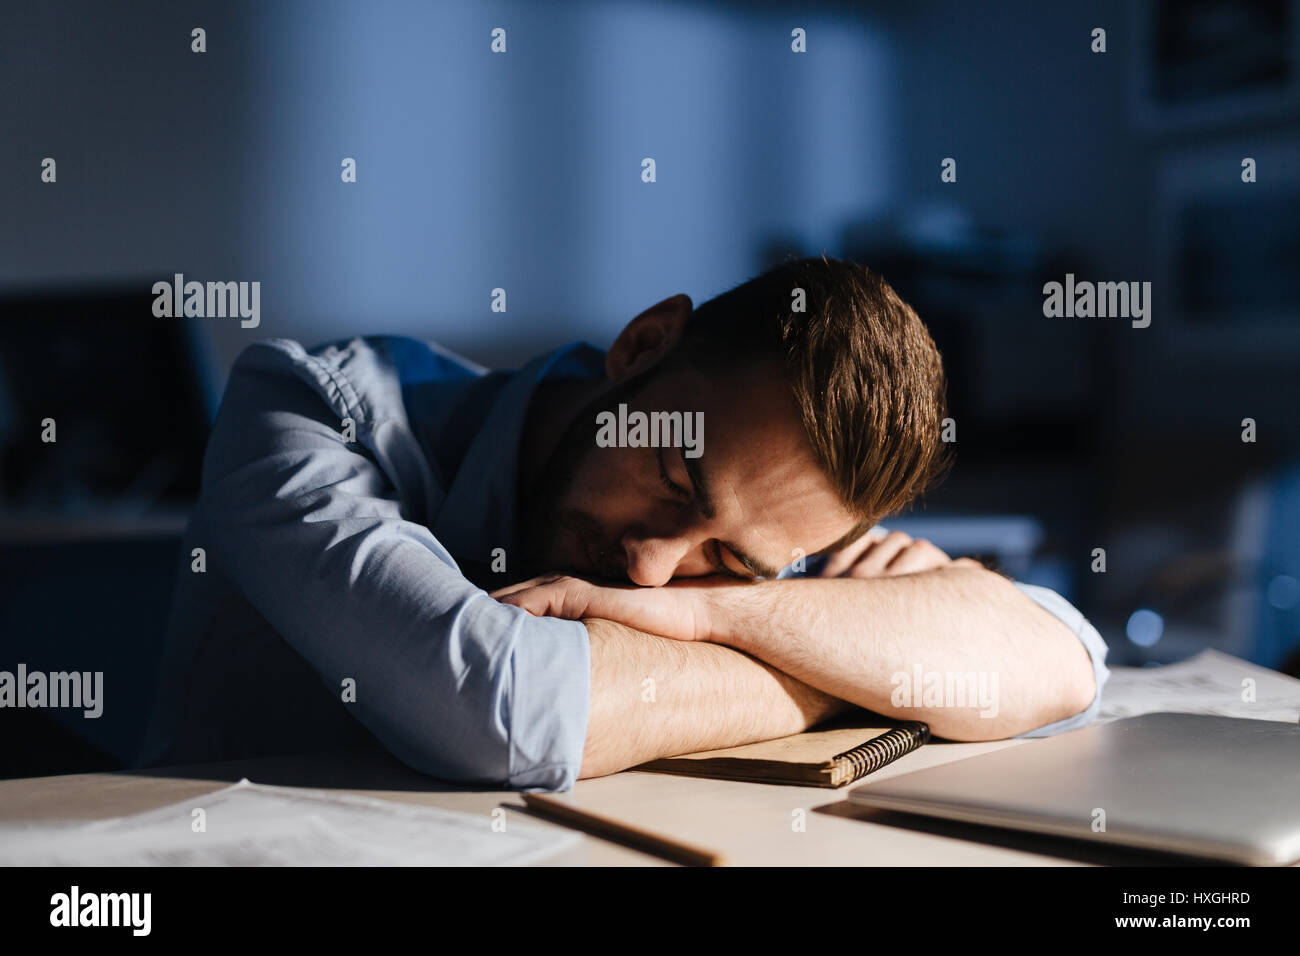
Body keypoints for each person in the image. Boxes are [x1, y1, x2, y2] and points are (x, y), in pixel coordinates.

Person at [139, 257, 1108, 790]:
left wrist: (719, 618)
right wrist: (847, 672)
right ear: (642, 345)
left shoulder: (775, 554)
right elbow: (503, 706)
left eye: (727, 557)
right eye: (674, 471)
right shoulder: (309, 410)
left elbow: (1062, 652)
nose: (650, 570)